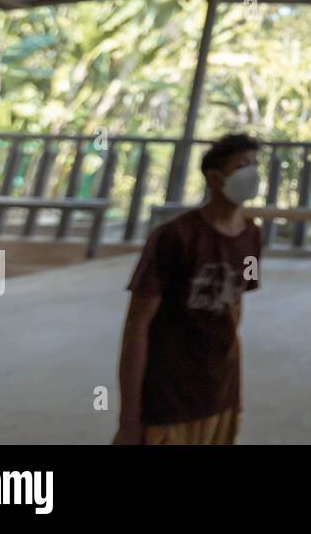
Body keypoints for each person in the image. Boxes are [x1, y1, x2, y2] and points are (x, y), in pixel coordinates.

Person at [112, 134, 263, 445]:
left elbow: (236, 302)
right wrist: (129, 418)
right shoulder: (173, 237)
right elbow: (137, 325)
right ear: (215, 178)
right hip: (168, 391)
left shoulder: (252, 238)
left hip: (220, 390)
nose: (253, 173)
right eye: (242, 165)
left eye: (255, 165)